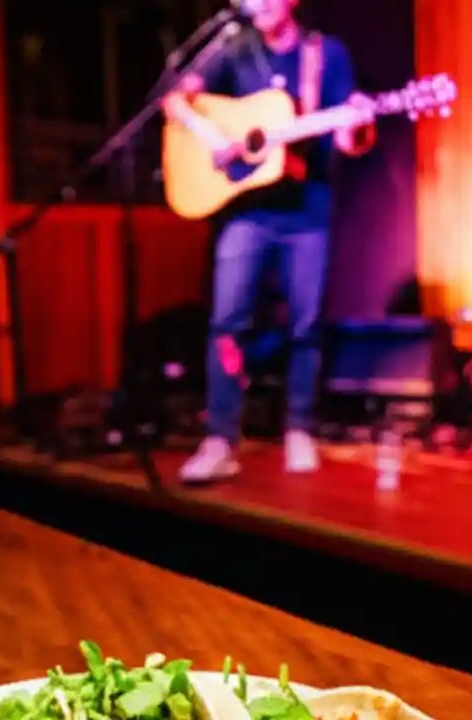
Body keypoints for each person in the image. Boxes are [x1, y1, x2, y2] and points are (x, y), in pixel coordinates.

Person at [161, 0, 377, 482]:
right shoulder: (231, 47)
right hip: (246, 211)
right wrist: (212, 136)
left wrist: (358, 121)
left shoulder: (325, 54)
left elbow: (347, 139)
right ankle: (220, 438)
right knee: (226, 323)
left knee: (305, 325)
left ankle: (299, 427)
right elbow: (175, 100)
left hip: (307, 212)